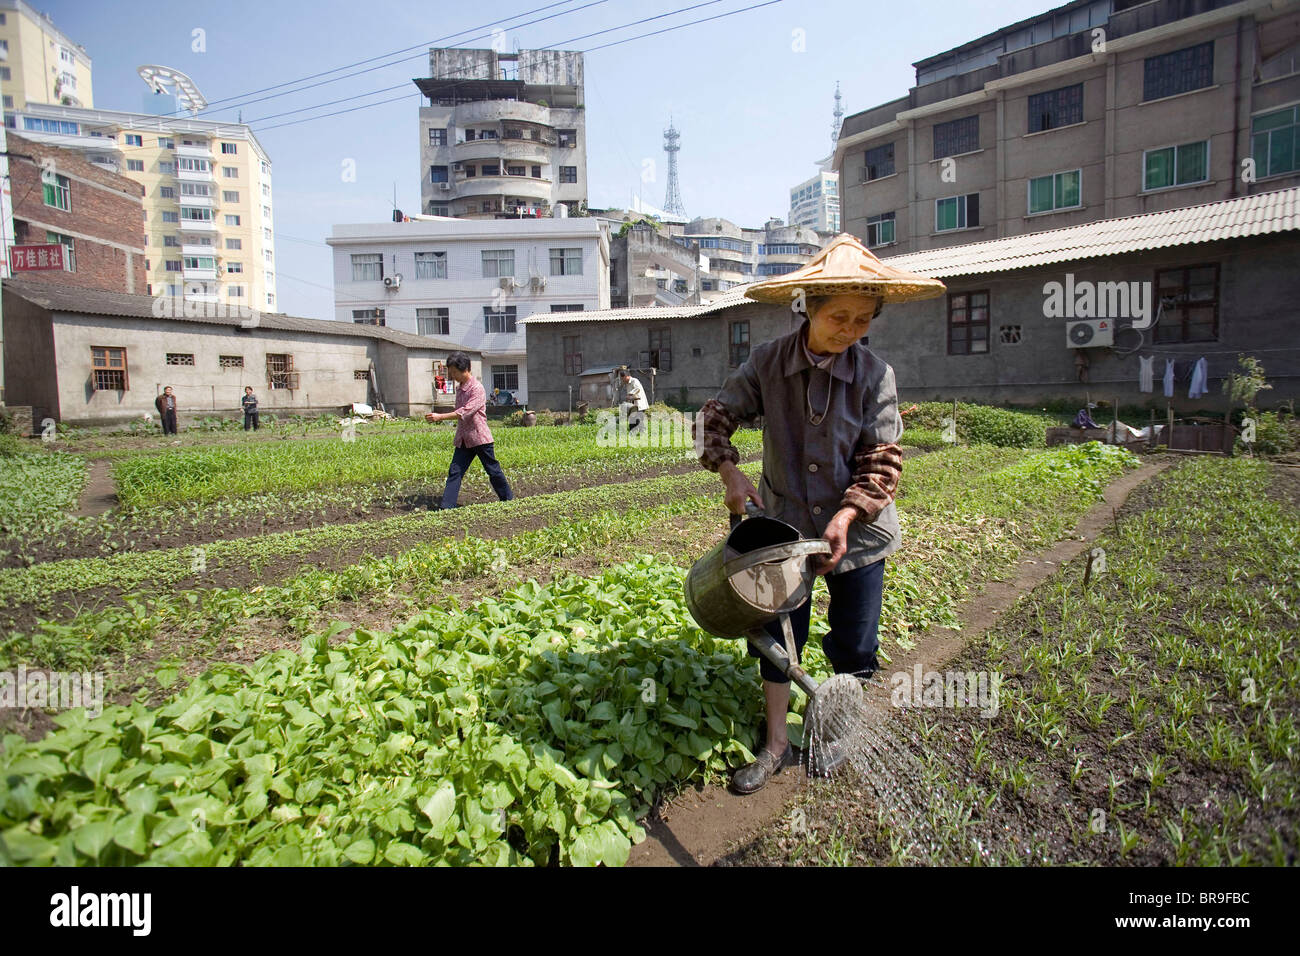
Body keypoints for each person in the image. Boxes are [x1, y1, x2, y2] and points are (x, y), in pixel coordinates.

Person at [694, 232, 946, 795]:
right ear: (808, 307)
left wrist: (846, 516)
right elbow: (712, 418)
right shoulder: (767, 364)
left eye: (863, 320)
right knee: (781, 640)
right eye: (839, 316)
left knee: (855, 644)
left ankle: (835, 732)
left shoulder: (875, 377)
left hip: (857, 538)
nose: (850, 330)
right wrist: (731, 473)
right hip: (785, 534)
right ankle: (777, 743)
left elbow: (882, 462)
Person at [426, 352, 514, 509]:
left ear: (464, 369)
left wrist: (440, 417)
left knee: (493, 470)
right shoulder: (460, 389)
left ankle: (508, 500)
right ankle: (447, 507)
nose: (452, 376)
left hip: (479, 438)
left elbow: (465, 412)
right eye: (450, 372)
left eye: (454, 372)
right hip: (464, 439)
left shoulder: (477, 388)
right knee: (455, 471)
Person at [619, 367, 649, 433]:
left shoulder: (634, 381)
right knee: (633, 419)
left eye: (623, 378)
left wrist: (630, 394)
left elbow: (637, 389)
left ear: (627, 376)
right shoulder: (627, 383)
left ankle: (641, 432)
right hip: (633, 405)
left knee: (638, 419)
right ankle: (634, 432)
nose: (622, 380)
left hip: (639, 404)